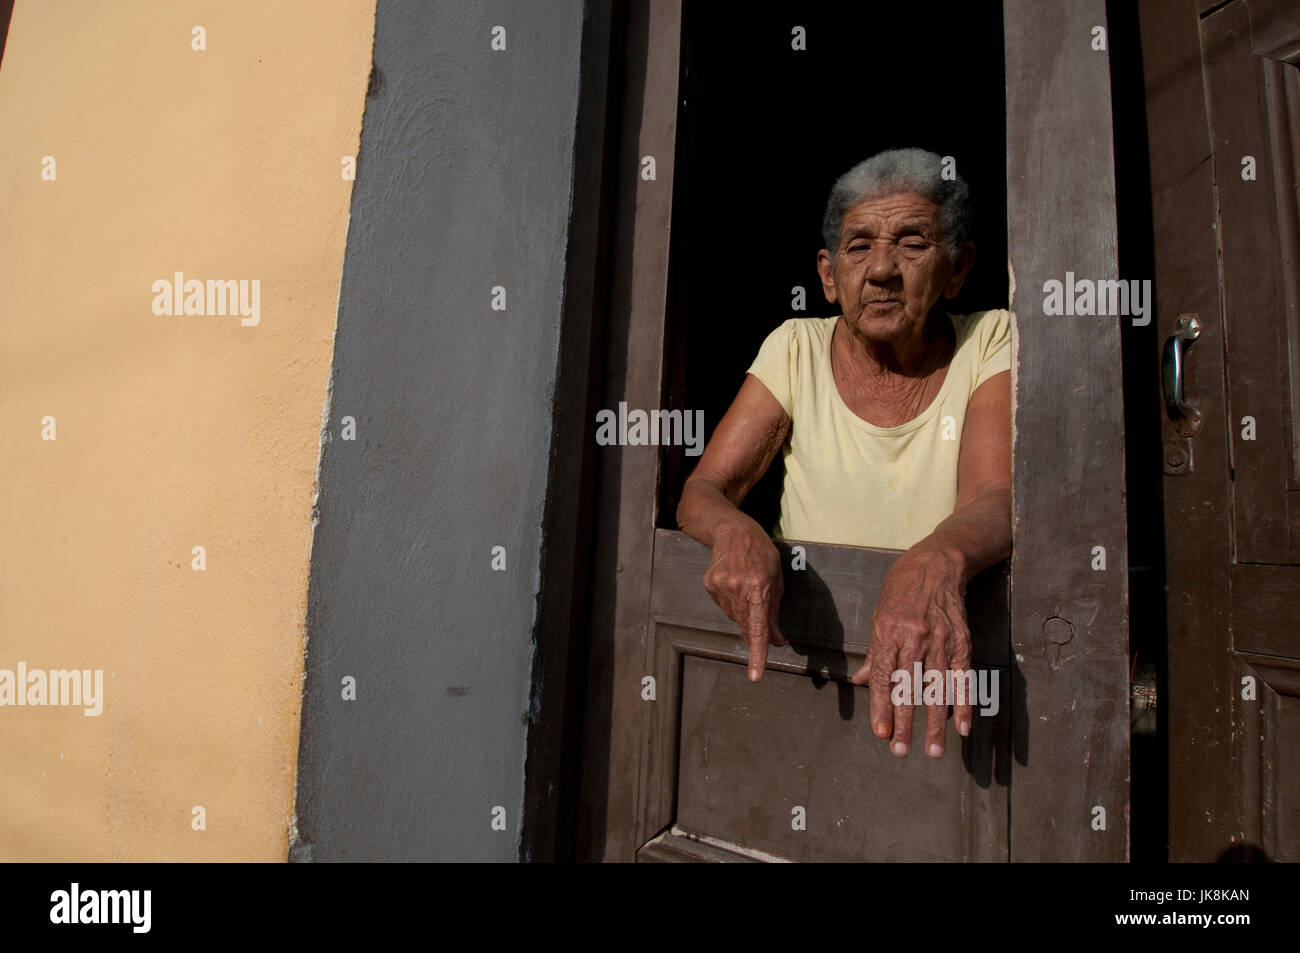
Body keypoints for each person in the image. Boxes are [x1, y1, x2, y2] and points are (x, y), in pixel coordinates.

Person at [675, 148, 1011, 760]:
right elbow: (701, 492)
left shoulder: (990, 339)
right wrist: (733, 533)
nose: (882, 269)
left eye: (912, 243)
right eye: (859, 246)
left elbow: (995, 497)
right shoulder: (794, 345)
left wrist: (933, 560)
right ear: (828, 277)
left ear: (957, 269)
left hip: (936, 661)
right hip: (803, 654)